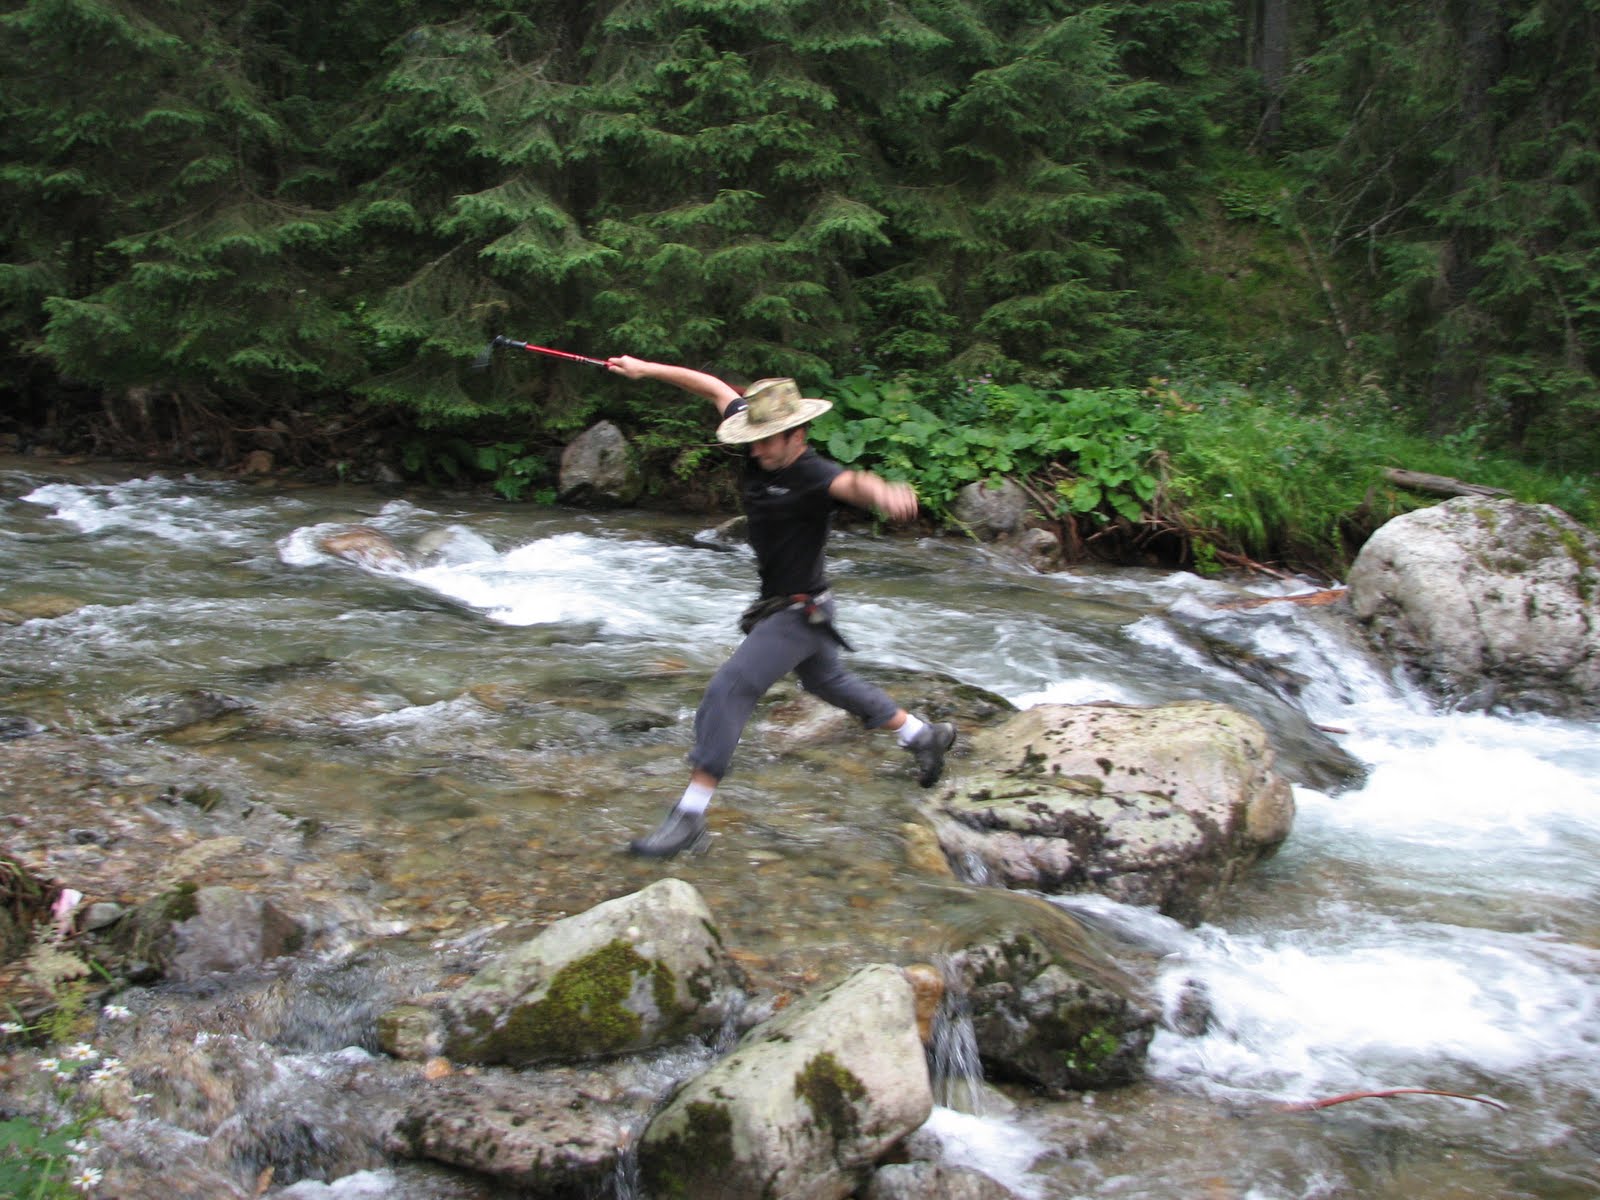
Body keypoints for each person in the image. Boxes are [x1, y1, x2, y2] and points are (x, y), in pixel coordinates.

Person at [605, 356, 957, 857]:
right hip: (792, 607)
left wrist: (881, 491)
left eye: (770, 438)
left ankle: (689, 817)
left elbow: (851, 484)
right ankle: (924, 735)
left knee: (729, 688)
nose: (759, 447)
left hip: (799, 611)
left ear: (798, 434)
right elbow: (710, 384)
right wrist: (643, 369)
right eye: (753, 437)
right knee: (827, 681)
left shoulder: (814, 473)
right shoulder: (756, 440)